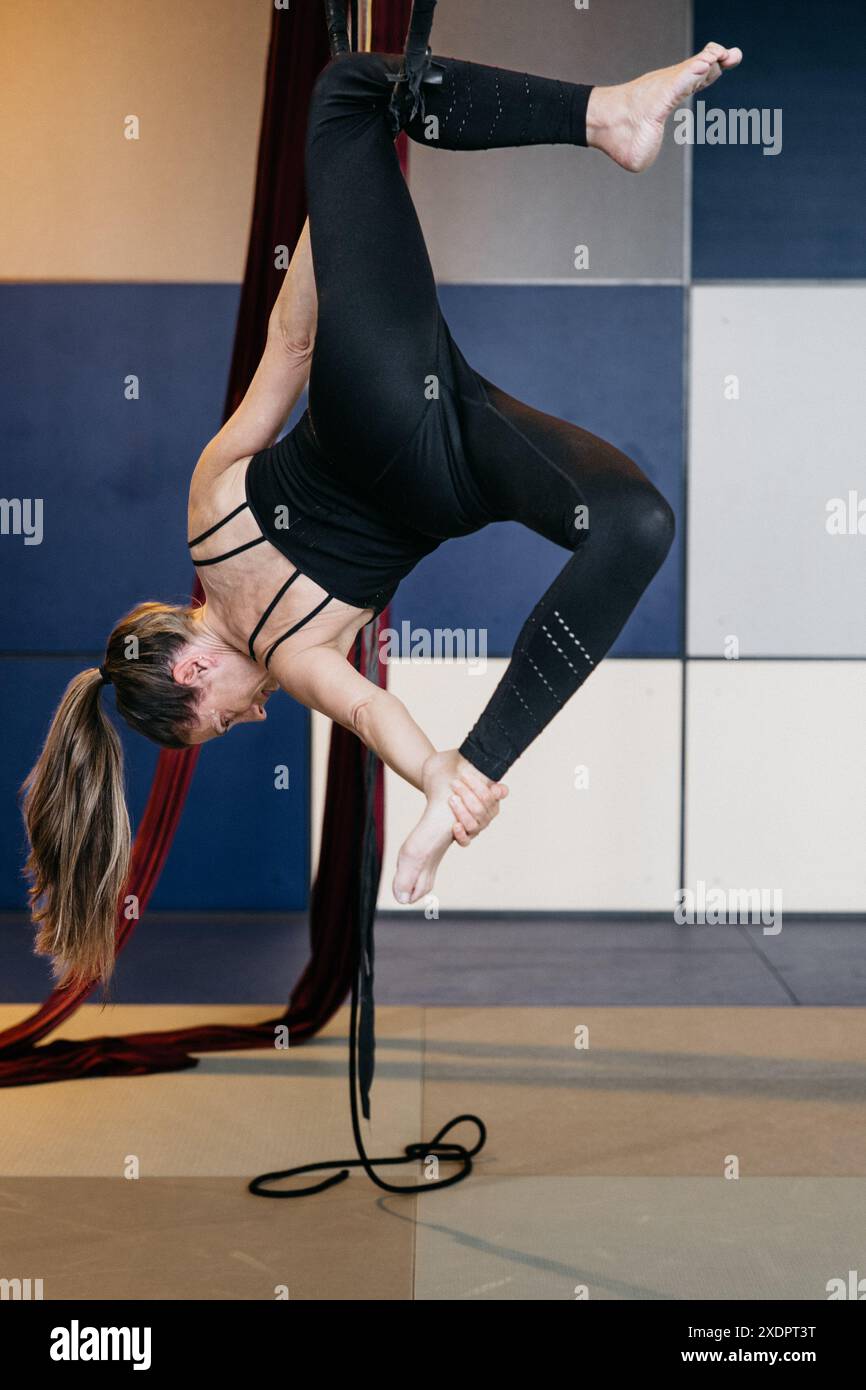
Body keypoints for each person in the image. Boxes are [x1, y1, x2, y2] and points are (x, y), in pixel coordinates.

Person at [21, 2, 742, 990]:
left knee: (637, 524)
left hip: (428, 450)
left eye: (223, 719)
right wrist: (342, 182)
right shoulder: (207, 512)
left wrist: (445, 774)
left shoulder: (291, 649)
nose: (253, 716)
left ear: (192, 672)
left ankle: (609, 117)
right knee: (349, 90)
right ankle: (602, 116)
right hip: (397, 400)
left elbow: (361, 708)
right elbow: (288, 346)